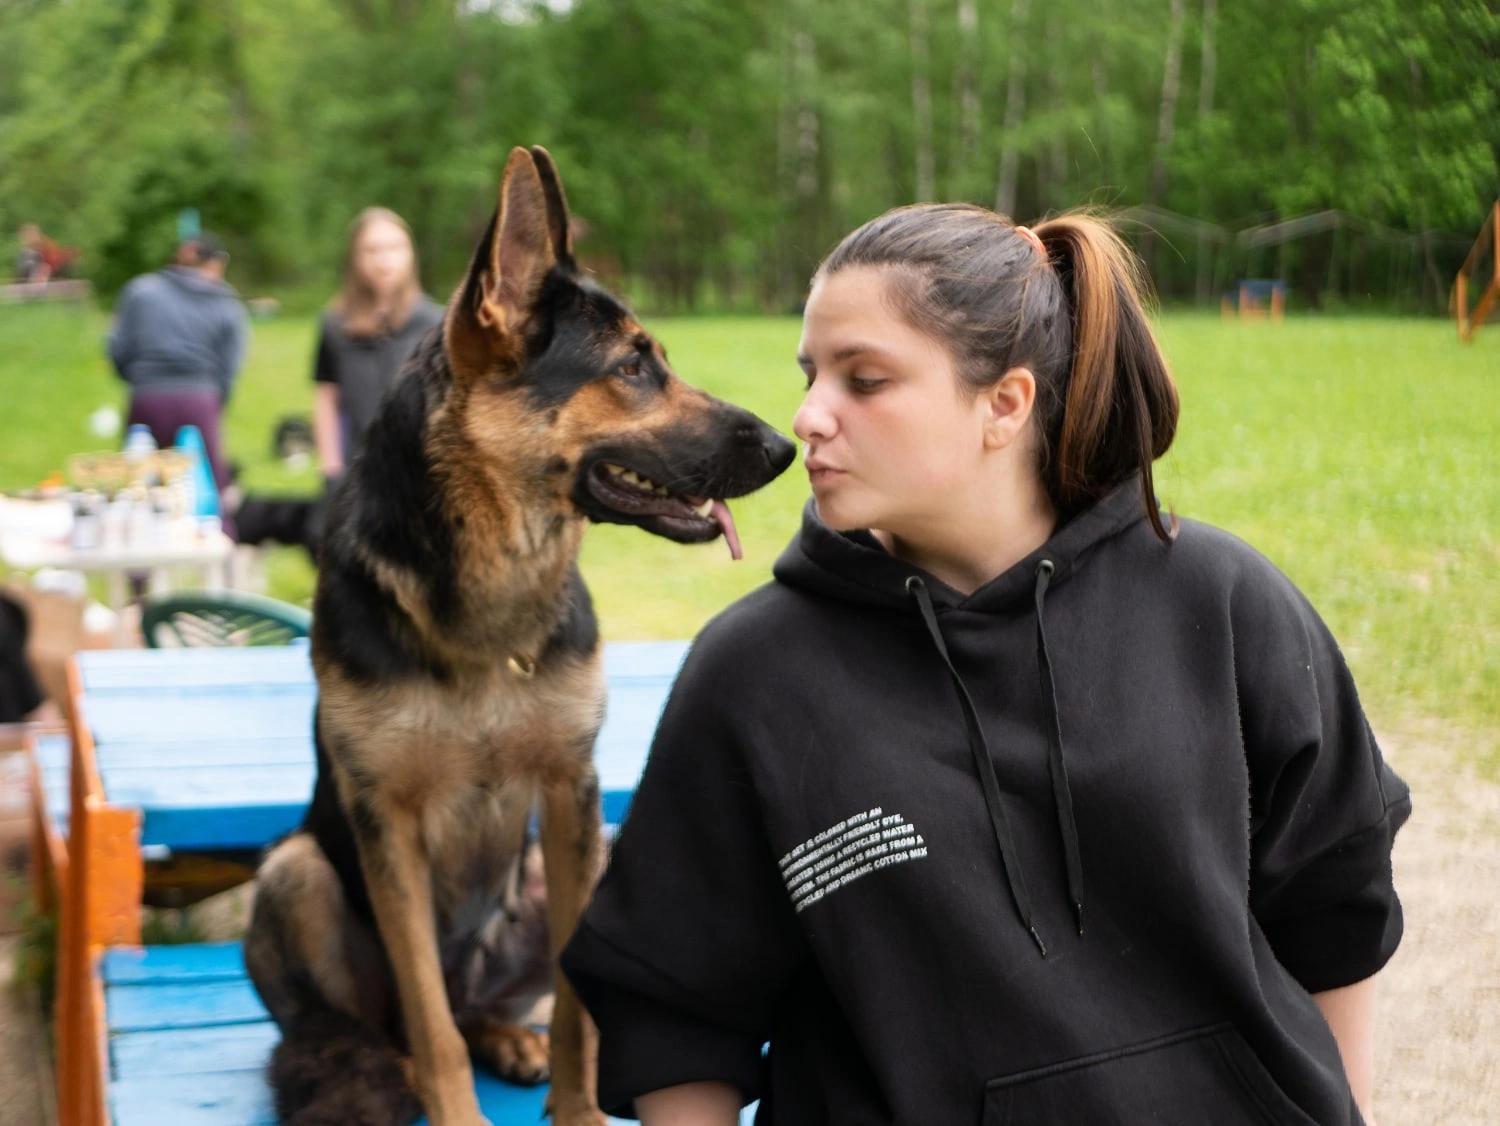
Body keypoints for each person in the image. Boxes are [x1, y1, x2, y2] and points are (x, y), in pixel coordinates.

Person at [561, 205, 1410, 1125]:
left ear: (1004, 404)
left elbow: (1336, 909)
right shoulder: (753, 677)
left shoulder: (1222, 600)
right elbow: (675, 1010)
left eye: (865, 380)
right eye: (812, 376)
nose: (808, 417)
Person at [107, 233, 248, 509]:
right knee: (209, 482)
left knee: (137, 482)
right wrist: (217, 398)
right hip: (201, 398)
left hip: (146, 397)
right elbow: (230, 364)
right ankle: (218, 540)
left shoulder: (139, 291)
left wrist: (138, 379)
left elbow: (117, 346)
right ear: (216, 263)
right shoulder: (226, 302)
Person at [310, 207, 443, 481]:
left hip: (419, 474)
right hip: (357, 470)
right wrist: (330, 467)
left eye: (395, 248)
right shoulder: (335, 325)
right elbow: (326, 396)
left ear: (411, 254)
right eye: (371, 250)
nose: (384, 260)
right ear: (354, 257)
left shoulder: (435, 323)